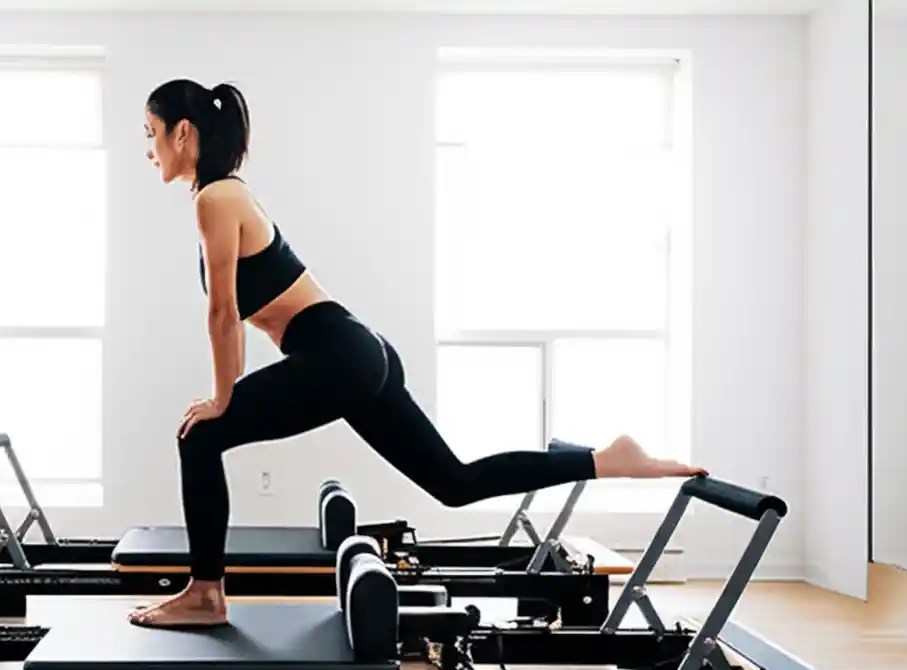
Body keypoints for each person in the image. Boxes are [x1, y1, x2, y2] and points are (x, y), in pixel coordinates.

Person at [129, 78, 704, 628]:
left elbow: (223, 314)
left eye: (150, 132)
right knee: (453, 484)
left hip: (335, 353)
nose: (148, 150)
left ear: (182, 133)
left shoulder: (217, 197)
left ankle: (206, 593)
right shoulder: (230, 195)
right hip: (353, 350)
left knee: (201, 435)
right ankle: (606, 460)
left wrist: (222, 398)